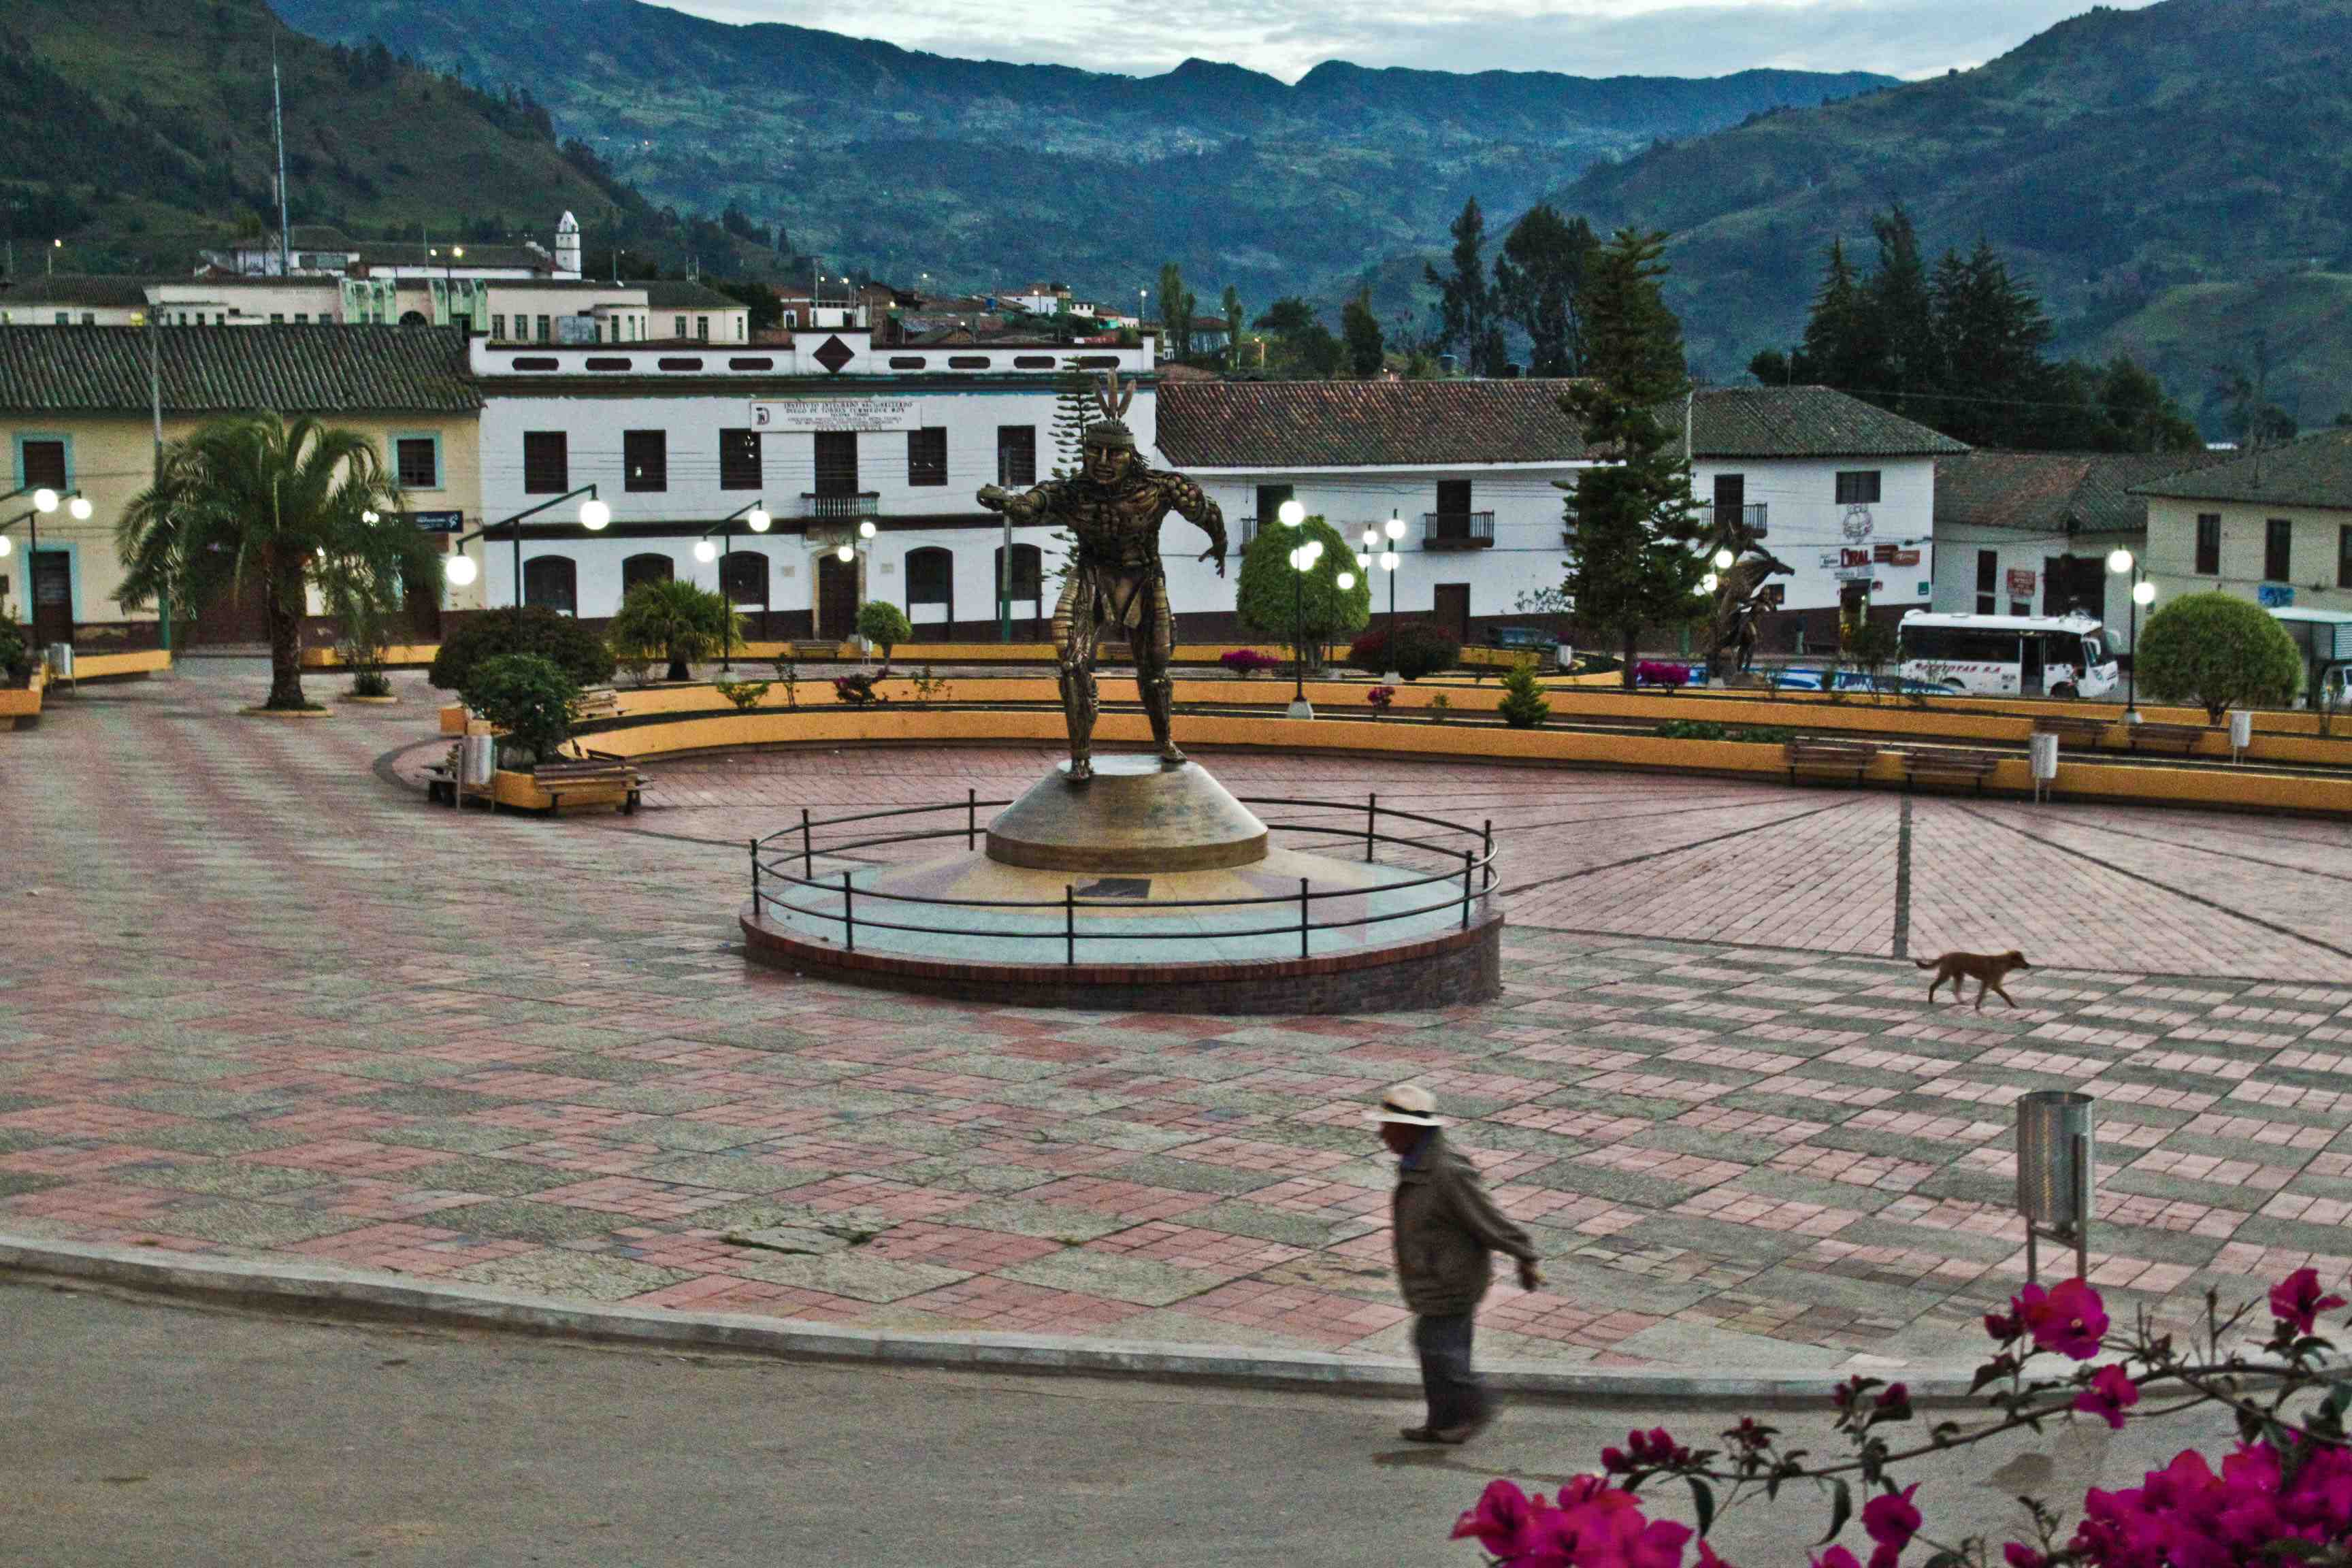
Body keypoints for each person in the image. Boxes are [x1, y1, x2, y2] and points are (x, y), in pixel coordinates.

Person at [976, 370, 1226, 783]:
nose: (1104, 463)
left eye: (1115, 455)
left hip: (1144, 580)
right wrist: (1006, 502)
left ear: (1132, 456)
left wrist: (1218, 542)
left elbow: (1205, 509)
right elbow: (1032, 504)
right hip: (1091, 577)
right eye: (1095, 453)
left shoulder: (1160, 488)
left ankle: (1164, 740)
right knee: (1071, 663)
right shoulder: (1072, 493)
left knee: (1157, 671)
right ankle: (1081, 754)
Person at [1373, 1083, 1540, 1445]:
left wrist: (1524, 1254)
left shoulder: (1447, 1172)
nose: (1381, 1133)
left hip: (1451, 1279)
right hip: (1433, 1274)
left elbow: (1487, 1218)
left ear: (1411, 1129)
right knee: (1442, 1349)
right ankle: (1443, 1423)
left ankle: (1475, 1406)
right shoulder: (1418, 1161)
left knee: (1437, 1347)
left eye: (1388, 1127)